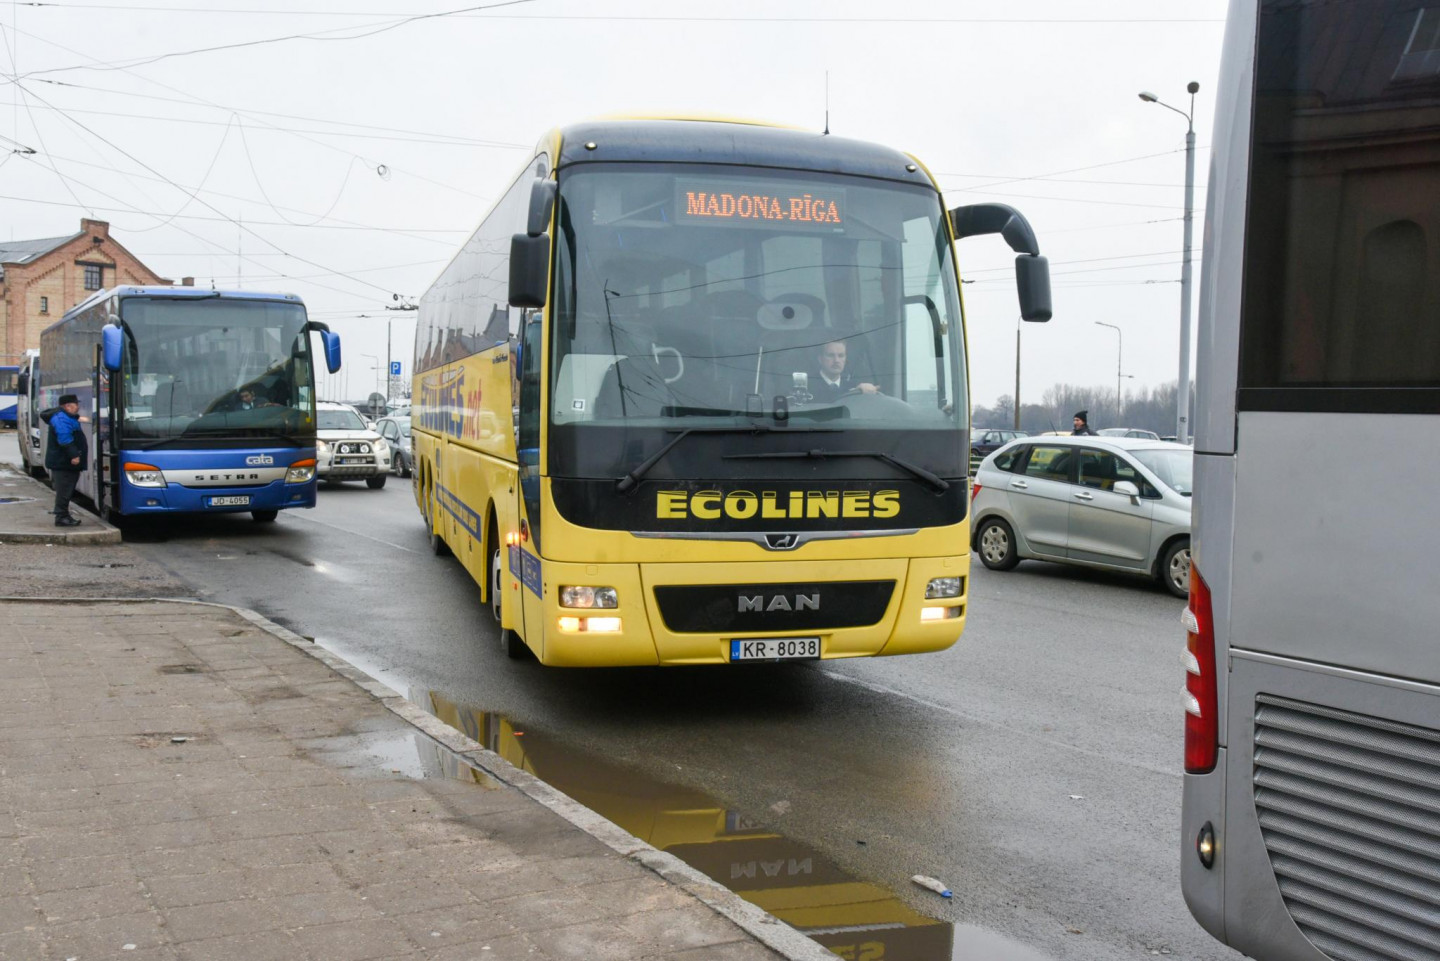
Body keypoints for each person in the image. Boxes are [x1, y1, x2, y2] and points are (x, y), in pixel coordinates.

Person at [43, 393, 88, 527]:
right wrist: (74, 455)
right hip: (63, 462)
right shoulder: (61, 419)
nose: (78, 407)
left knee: (66, 490)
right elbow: (64, 439)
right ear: (67, 406)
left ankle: (64, 515)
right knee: (64, 491)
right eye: (75, 405)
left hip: (64, 462)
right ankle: (61, 517)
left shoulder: (66, 416)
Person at [808, 340, 878, 402]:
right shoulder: (806, 387)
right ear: (820, 359)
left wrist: (861, 393)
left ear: (845, 359)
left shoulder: (853, 388)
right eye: (831, 355)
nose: (836, 360)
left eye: (841, 356)